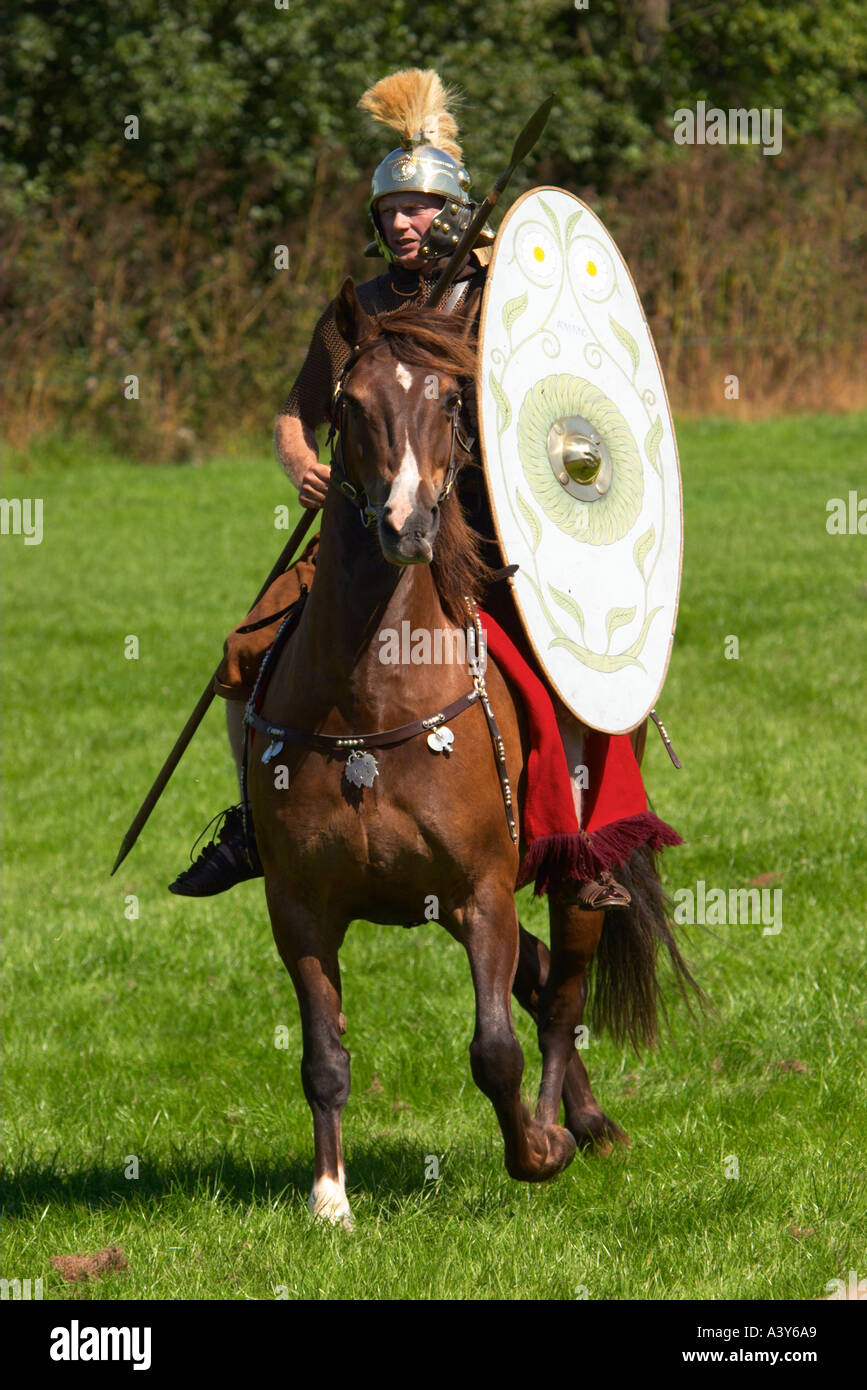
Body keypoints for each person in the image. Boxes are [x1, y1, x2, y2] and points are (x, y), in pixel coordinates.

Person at [169, 69, 632, 909]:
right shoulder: (361, 306)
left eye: (416, 207)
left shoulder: (495, 301)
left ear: (452, 211)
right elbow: (293, 412)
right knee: (246, 649)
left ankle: (576, 841)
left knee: (557, 667)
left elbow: (560, 399)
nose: (401, 222)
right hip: (361, 530)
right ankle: (252, 820)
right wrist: (298, 460)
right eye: (389, 211)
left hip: (486, 527)